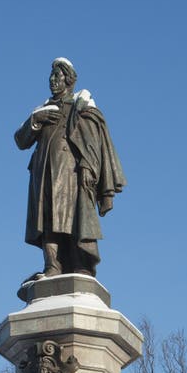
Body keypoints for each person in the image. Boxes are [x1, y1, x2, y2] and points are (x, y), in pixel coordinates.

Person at [14, 58, 126, 278]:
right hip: (44, 173)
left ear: (69, 79)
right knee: (47, 219)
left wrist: (88, 167)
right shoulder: (43, 110)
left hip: (71, 174)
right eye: (51, 76)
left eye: (58, 76)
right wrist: (37, 118)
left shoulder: (80, 107)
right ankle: (52, 266)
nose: (53, 80)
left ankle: (80, 265)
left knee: (73, 219)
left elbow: (92, 143)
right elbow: (20, 141)